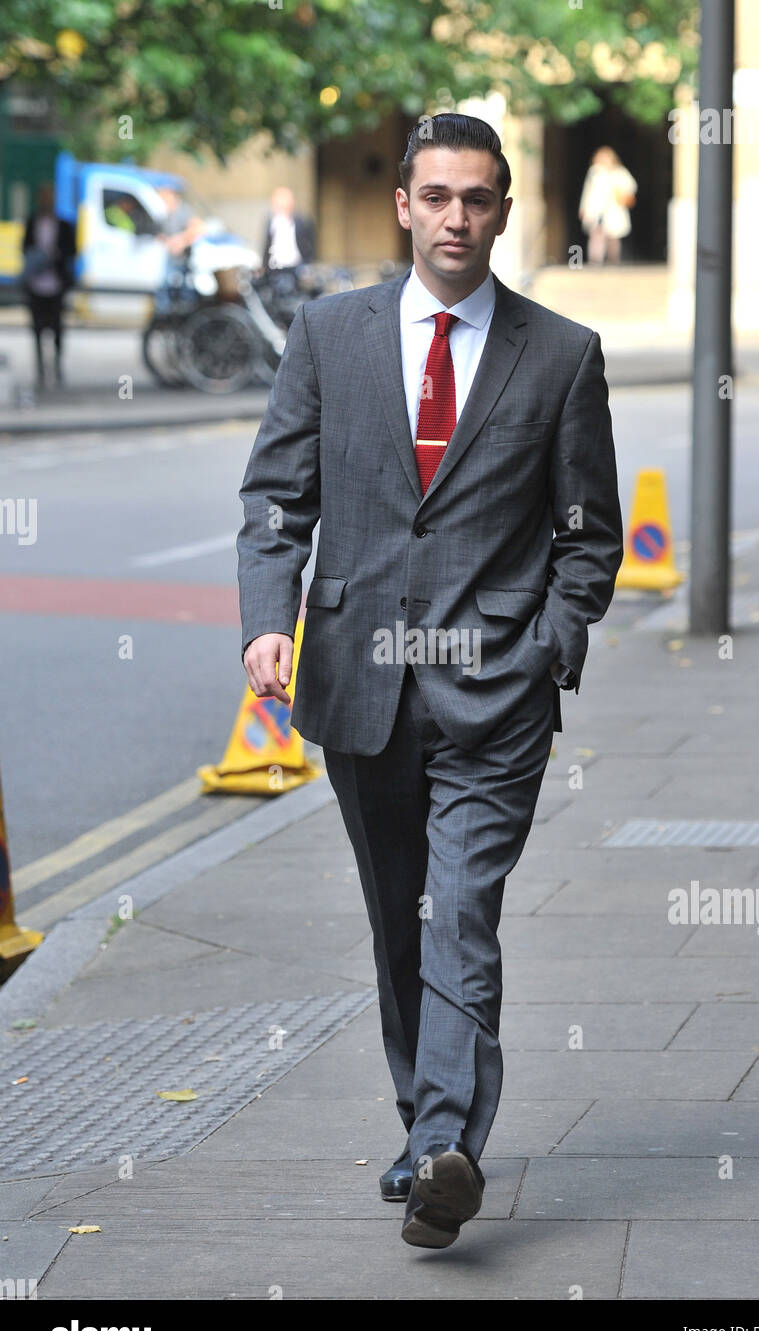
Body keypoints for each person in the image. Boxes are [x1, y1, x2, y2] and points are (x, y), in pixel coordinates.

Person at [237, 113, 623, 1251]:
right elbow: (275, 498)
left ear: (504, 211)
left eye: (478, 198)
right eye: (437, 196)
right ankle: (423, 1130)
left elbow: (586, 535)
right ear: (404, 205)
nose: (457, 217)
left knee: (459, 912)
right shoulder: (326, 333)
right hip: (360, 680)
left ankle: (450, 1143)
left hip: (494, 687)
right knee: (398, 914)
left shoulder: (558, 354)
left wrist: (551, 638)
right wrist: (269, 622)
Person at [21, 184, 76, 386]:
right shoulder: (32, 222)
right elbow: (25, 247)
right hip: (36, 283)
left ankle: (57, 367)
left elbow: (72, 249)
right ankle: (40, 371)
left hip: (56, 283)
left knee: (57, 329)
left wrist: (56, 257)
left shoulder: (63, 224)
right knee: (37, 329)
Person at [578, 146, 637, 266]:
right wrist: (583, 208)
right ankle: (595, 261)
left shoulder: (620, 172)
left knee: (612, 237)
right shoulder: (594, 172)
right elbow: (588, 192)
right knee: (596, 235)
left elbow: (630, 187)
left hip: (613, 210)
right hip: (596, 210)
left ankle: (612, 261)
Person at [260, 186, 316, 273]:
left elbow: (310, 243)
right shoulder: (271, 222)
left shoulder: (302, 221)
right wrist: (263, 266)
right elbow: (267, 245)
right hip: (275, 267)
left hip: (297, 267)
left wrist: (308, 263)